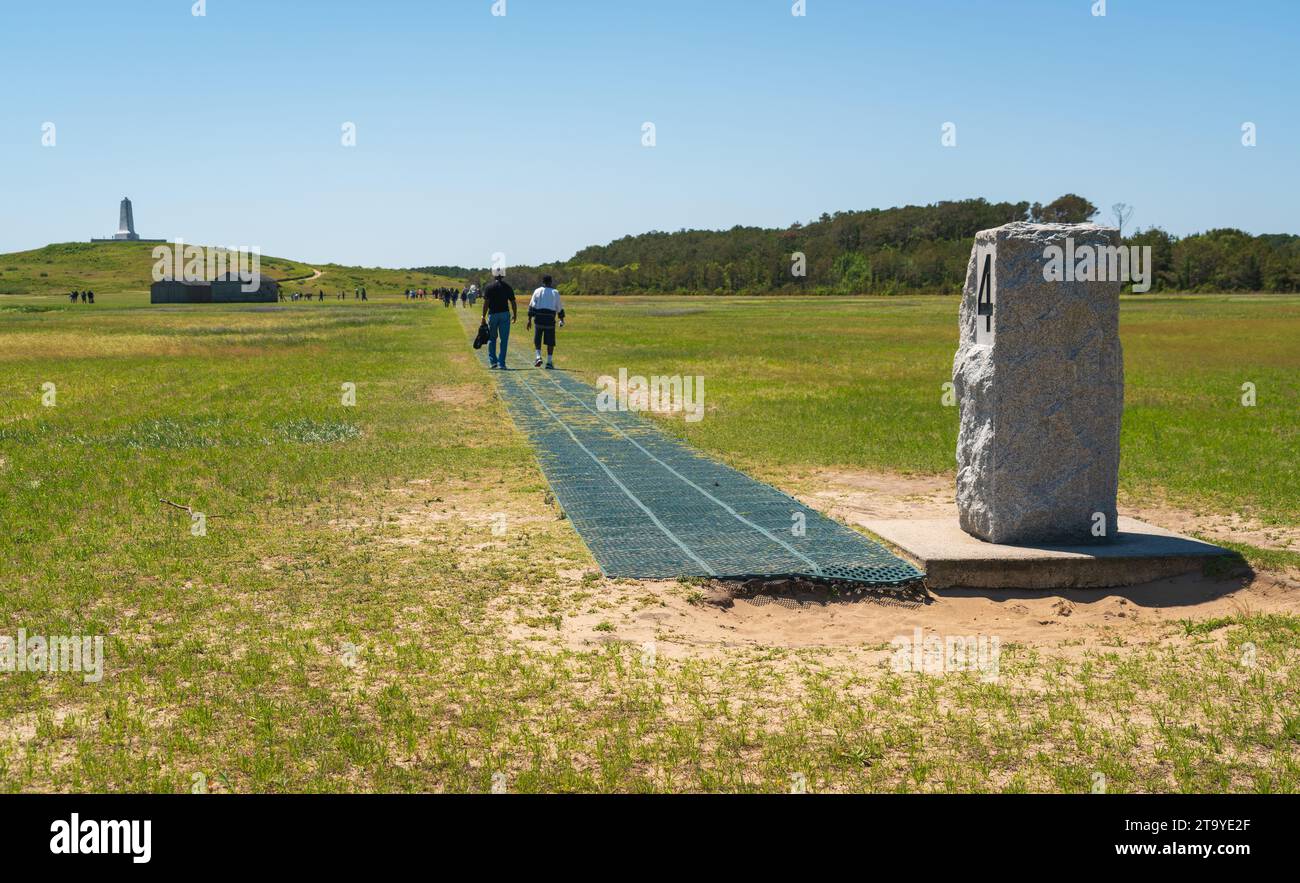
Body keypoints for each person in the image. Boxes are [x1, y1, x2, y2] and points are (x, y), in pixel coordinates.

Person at [527, 276, 566, 369]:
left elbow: (532, 306)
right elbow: (559, 307)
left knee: (537, 338)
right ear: (551, 282)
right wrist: (561, 319)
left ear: (542, 281)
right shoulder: (555, 292)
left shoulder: (537, 291)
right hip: (550, 319)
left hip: (539, 318)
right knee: (550, 342)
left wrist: (529, 320)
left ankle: (538, 357)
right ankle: (549, 361)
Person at [481, 272, 517, 370]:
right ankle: (502, 363)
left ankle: (493, 362)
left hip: (493, 315)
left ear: (494, 276)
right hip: (505, 314)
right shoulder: (507, 287)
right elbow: (513, 302)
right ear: (503, 276)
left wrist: (483, 316)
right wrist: (515, 314)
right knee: (504, 340)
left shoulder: (489, 287)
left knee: (492, 339)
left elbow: (486, 303)